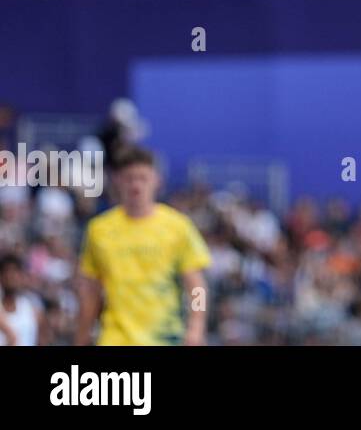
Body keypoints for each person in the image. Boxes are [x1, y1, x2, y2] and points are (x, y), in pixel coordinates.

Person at [76, 147, 211, 345]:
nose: (136, 185)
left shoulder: (178, 227)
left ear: (157, 180)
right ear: (117, 180)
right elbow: (90, 292)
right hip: (115, 338)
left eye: (143, 178)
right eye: (129, 178)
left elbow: (197, 287)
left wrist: (196, 327)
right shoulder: (99, 230)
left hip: (164, 337)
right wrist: (82, 335)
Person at [0, 253, 46, 346]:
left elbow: (42, 341)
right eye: (6, 271)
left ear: (22, 277)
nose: (10, 276)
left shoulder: (34, 311)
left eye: (15, 272)